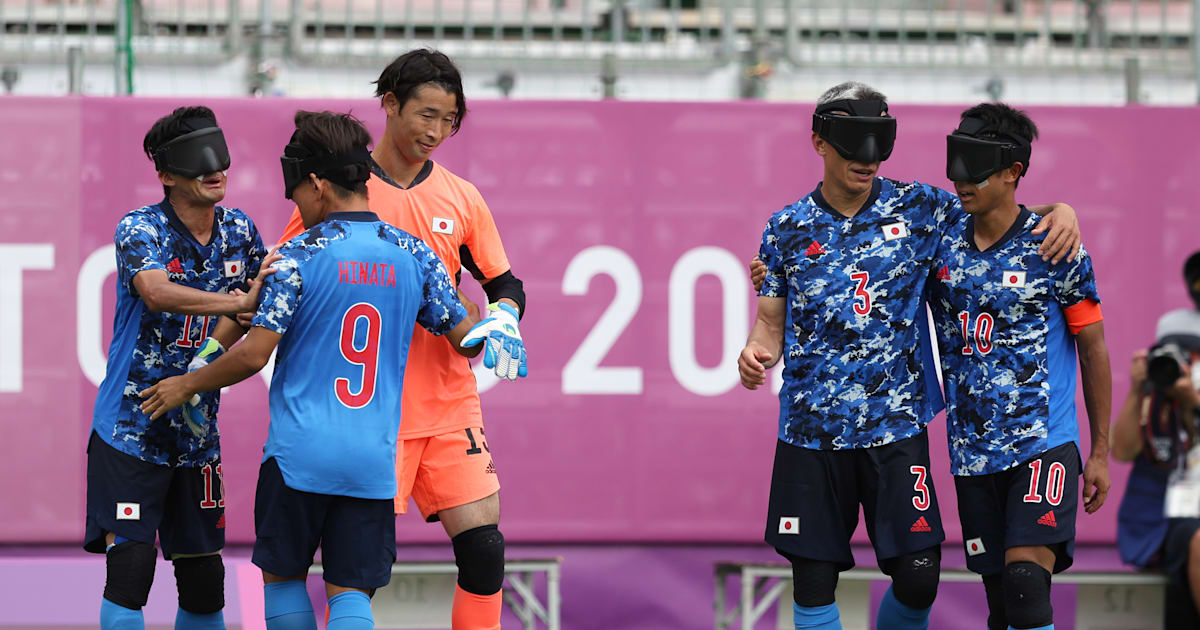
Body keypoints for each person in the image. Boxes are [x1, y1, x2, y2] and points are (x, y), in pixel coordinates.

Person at [740, 82, 1080, 630]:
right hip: (809, 433)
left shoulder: (922, 208)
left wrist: (1061, 209)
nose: (867, 160)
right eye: (853, 145)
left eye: (879, 145)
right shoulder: (784, 229)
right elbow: (768, 326)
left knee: (920, 578)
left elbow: (997, 207)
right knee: (813, 579)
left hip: (896, 429)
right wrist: (754, 354)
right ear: (819, 143)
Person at [139, 110, 480, 630]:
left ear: (318, 183)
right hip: (371, 462)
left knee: (285, 582)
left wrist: (186, 384)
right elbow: (466, 337)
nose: (294, 204)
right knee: (350, 597)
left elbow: (255, 354)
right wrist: (494, 315)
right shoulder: (416, 254)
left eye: (296, 192)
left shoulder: (296, 256)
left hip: (298, 455)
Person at [264, 48, 526, 630]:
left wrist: (505, 314)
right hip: (368, 411)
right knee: (357, 580)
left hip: (447, 402)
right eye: (425, 114)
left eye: (449, 119)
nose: (435, 131)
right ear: (388, 104)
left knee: (484, 549)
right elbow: (287, 276)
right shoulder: (340, 189)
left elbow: (503, 281)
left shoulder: (462, 197)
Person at [84, 106, 271, 630]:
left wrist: (204, 365)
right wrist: (232, 301)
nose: (215, 173)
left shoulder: (240, 231)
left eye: (219, 161)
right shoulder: (139, 228)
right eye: (196, 163)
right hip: (130, 428)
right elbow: (156, 291)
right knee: (132, 570)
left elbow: (253, 308)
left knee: (205, 586)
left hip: (197, 435)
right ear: (166, 175)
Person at [929, 102, 1111, 630]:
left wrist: (1097, 453)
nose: (962, 179)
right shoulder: (938, 240)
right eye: (956, 163)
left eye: (977, 166)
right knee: (1003, 609)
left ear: (1013, 172)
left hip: (1044, 444)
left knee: (1027, 587)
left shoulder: (1057, 247)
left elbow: (1094, 347)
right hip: (972, 453)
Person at [1114, 251, 1200, 630]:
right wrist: (1137, 391)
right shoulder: (1153, 397)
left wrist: (1191, 404)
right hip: (1166, 521)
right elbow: (1122, 451)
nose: (1184, 362)